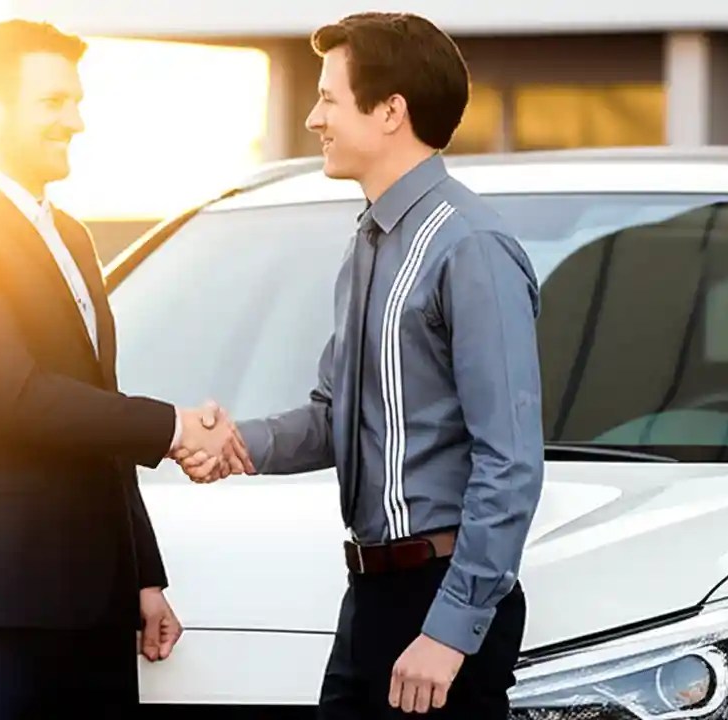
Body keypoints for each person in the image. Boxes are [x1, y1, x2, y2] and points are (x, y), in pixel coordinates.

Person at [178, 12, 544, 718]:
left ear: (390, 112)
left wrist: (450, 629)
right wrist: (234, 443)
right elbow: (335, 415)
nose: (314, 118)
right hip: (371, 599)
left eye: (328, 99)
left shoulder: (470, 247)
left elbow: (511, 459)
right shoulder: (369, 245)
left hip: (438, 601)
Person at [0, 19, 250, 718]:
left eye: (76, 102)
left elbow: (93, 407)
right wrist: (172, 426)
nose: (76, 121)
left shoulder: (72, 237)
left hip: (94, 605)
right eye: (52, 103)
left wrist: (142, 575)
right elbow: (14, 397)